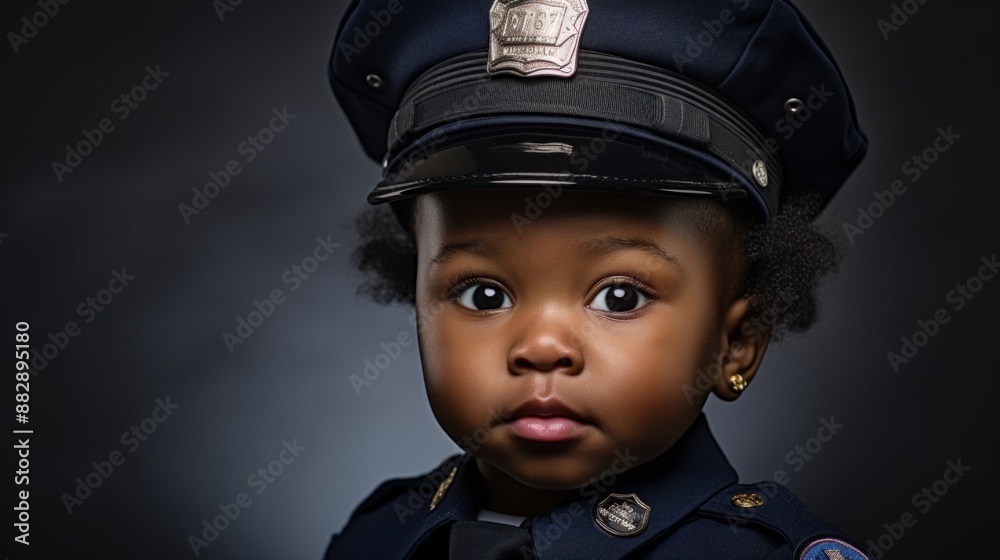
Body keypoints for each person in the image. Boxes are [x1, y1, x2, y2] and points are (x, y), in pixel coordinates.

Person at [324, 0, 869, 558]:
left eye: (620, 296)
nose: (541, 347)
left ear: (737, 346)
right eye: (483, 294)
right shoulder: (376, 538)